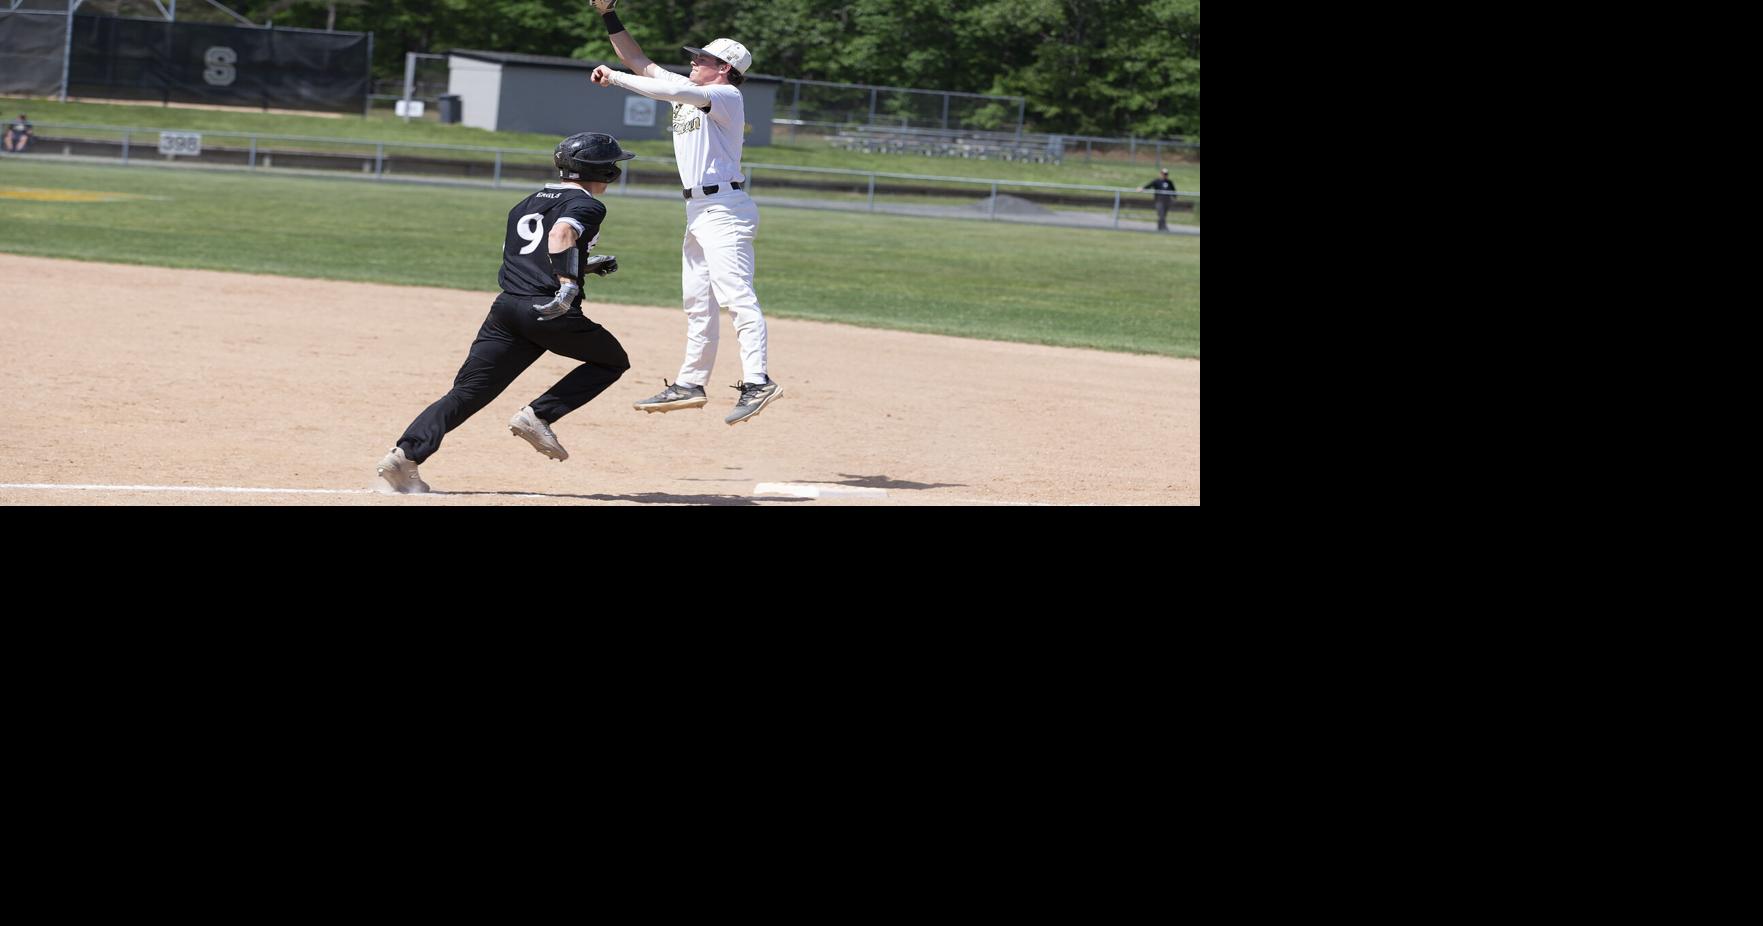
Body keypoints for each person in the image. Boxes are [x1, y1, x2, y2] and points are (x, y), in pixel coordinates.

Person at [375, 132, 634, 494]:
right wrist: (569, 284)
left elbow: (527, 255)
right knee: (612, 361)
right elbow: (559, 236)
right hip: (547, 308)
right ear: (602, 170)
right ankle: (539, 414)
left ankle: (405, 456)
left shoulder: (525, 203)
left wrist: (584, 265)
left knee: (467, 392)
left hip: (507, 308)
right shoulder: (589, 205)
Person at [586, 0, 782, 425]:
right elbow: (639, 60)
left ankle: (758, 380)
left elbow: (669, 88)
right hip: (699, 210)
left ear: (725, 68)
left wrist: (615, 79)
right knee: (697, 302)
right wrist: (607, 15)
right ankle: (691, 382)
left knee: (736, 295)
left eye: (704, 58)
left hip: (725, 209)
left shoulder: (724, 95)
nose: (694, 61)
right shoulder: (691, 91)